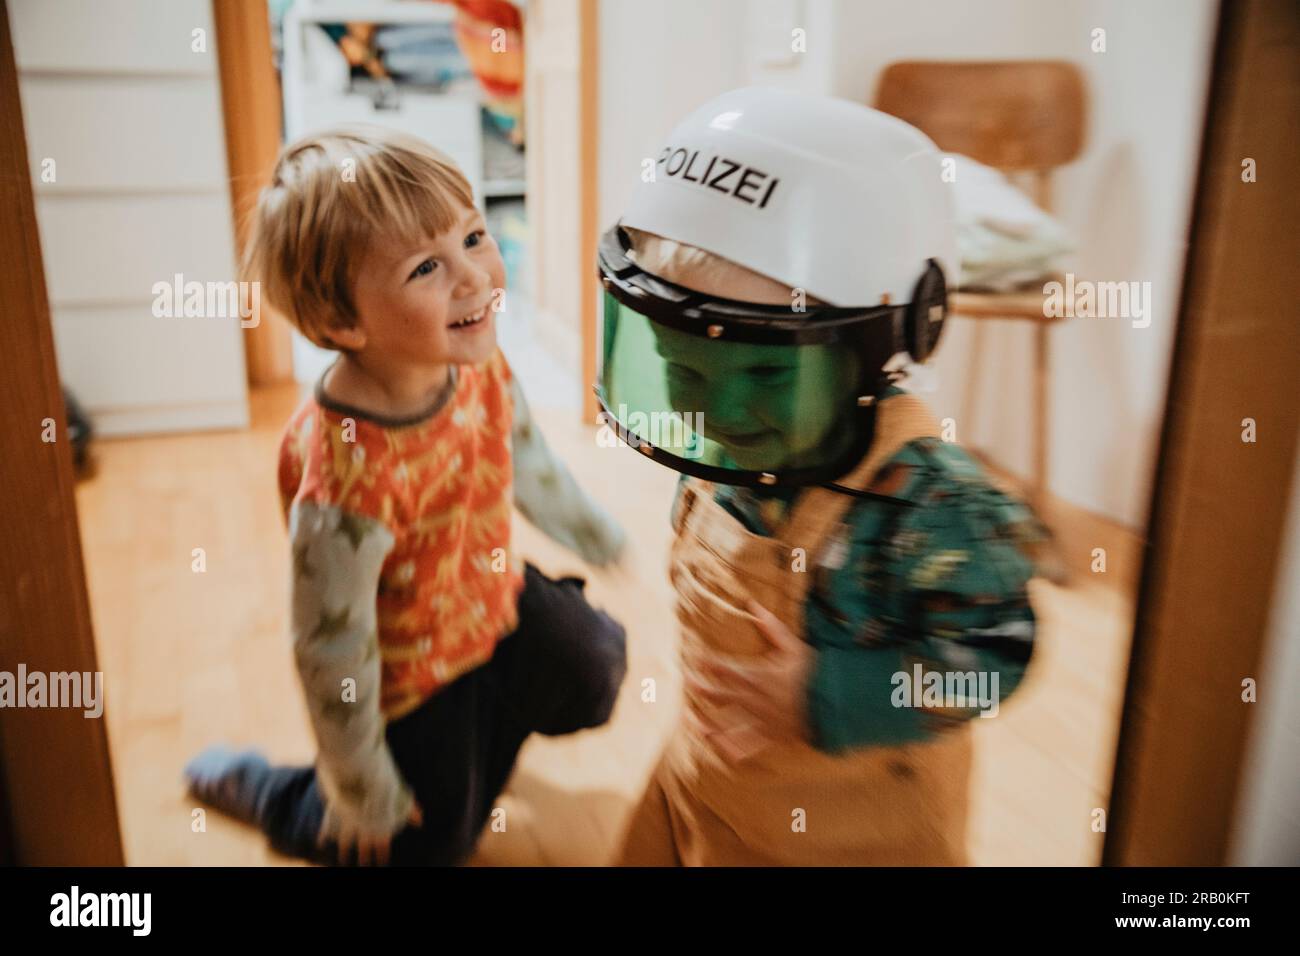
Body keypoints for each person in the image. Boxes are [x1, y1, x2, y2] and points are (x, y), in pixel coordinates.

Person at [600, 87, 1048, 865]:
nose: (721, 414)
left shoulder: (930, 504)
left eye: (769, 373)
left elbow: (996, 663)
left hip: (854, 839)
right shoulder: (713, 457)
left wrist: (833, 695)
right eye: (685, 372)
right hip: (705, 789)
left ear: (888, 338)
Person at [185, 125, 627, 866]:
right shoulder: (345, 475)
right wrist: (359, 785)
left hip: (489, 600)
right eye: (427, 267)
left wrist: (594, 532)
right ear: (340, 323)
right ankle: (277, 793)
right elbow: (331, 650)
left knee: (595, 665)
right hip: (410, 676)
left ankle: (491, 741)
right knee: (423, 843)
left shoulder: (475, 360)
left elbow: (526, 455)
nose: (475, 278)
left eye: (474, 237)